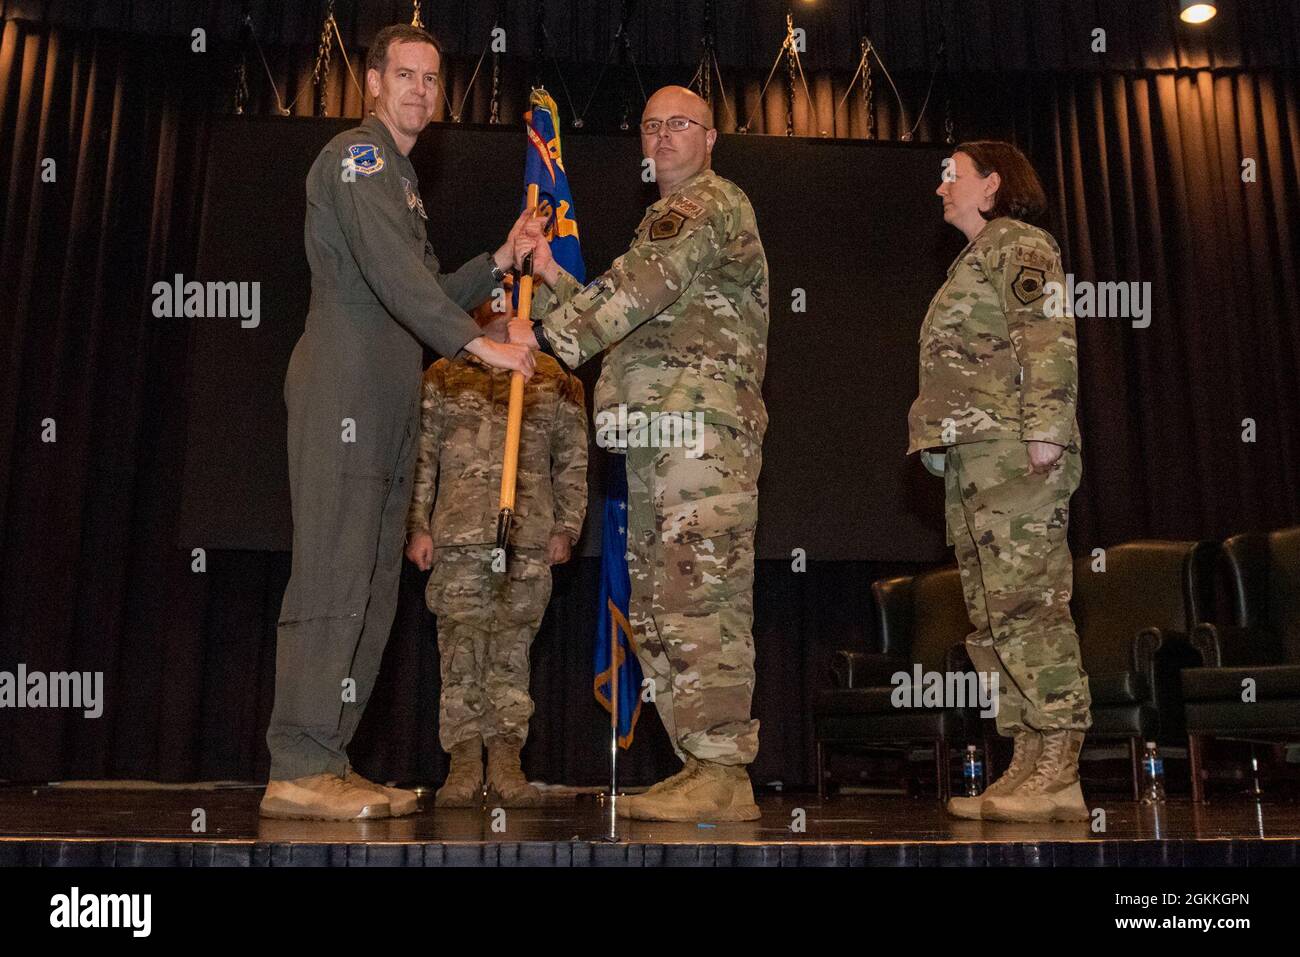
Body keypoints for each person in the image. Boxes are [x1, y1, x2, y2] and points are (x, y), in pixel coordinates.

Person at [261, 23, 537, 821]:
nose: (420, 89)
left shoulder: (401, 181)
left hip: (387, 400)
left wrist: (499, 262)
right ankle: (299, 760)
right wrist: (480, 345)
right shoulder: (359, 156)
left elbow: (423, 287)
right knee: (336, 574)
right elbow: (391, 277)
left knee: (376, 585)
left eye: (432, 79)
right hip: (344, 390)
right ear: (372, 81)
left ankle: (328, 759)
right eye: (405, 74)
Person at [511, 86, 768, 823]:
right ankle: (699, 763)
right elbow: (626, 313)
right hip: (659, 441)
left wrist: (541, 336)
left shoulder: (706, 204)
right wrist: (549, 274)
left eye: (678, 125)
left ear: (711, 137)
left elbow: (634, 291)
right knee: (659, 601)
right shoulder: (662, 223)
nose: (661, 138)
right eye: (650, 125)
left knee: (700, 595)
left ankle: (723, 769)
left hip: (701, 437)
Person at [909, 140, 1091, 823]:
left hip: (1017, 454)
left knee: (1029, 607)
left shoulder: (1022, 244)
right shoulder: (971, 261)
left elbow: (1046, 333)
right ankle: (1028, 758)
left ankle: (1059, 768)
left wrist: (1048, 423)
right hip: (976, 461)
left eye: (950, 177)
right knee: (991, 618)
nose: (940, 189)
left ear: (992, 184)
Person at [404, 286, 588, 808]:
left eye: (514, 293)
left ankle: (507, 762)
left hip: (527, 538)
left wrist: (566, 528)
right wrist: (417, 526)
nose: (505, 301)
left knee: (510, 654)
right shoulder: (444, 374)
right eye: (495, 293)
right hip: (458, 537)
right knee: (460, 653)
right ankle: (463, 764)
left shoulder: (554, 377)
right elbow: (423, 460)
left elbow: (572, 461)